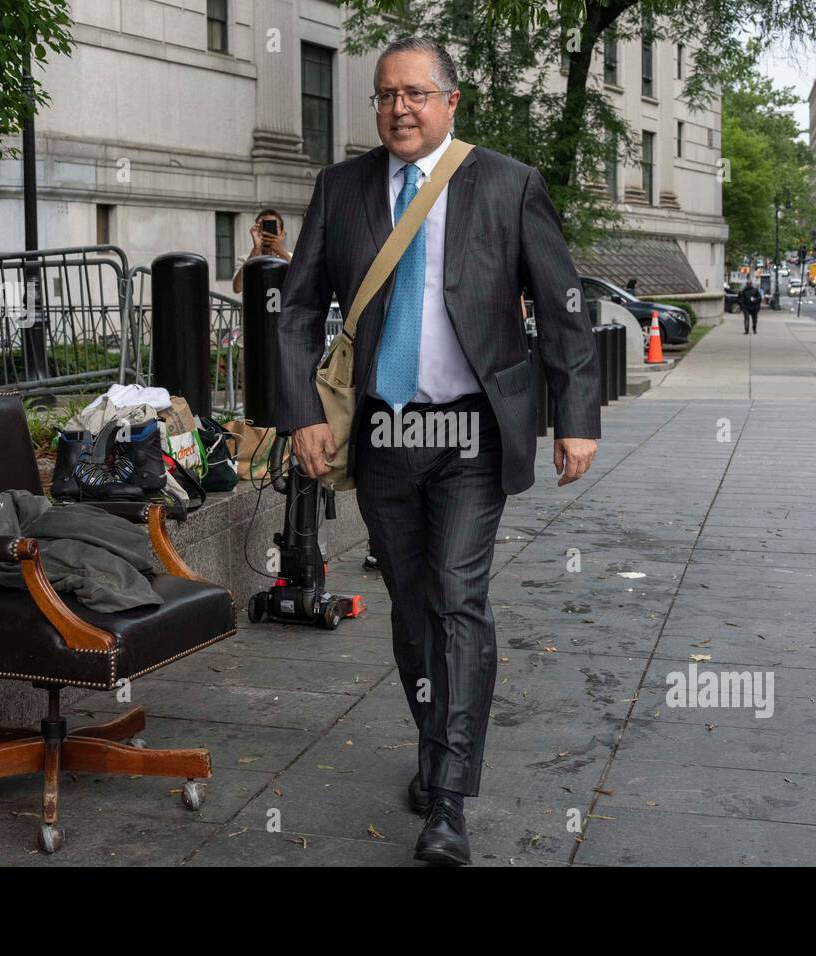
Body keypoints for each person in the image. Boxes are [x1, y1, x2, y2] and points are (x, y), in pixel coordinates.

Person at [275, 36, 600, 865]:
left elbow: (563, 307)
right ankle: (437, 746)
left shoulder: (507, 184)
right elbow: (297, 307)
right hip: (385, 434)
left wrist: (576, 416)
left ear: (452, 102)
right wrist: (301, 411)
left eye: (416, 94)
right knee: (414, 610)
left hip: (471, 435)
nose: (398, 109)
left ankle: (448, 796)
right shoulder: (340, 188)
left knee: (459, 598)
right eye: (385, 95)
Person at [231, 209, 291, 295]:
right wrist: (256, 248)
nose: (267, 231)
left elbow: (303, 283)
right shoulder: (245, 259)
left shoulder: (293, 258)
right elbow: (237, 288)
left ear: (282, 234)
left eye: (274, 226)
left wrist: (282, 253)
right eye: (262, 226)